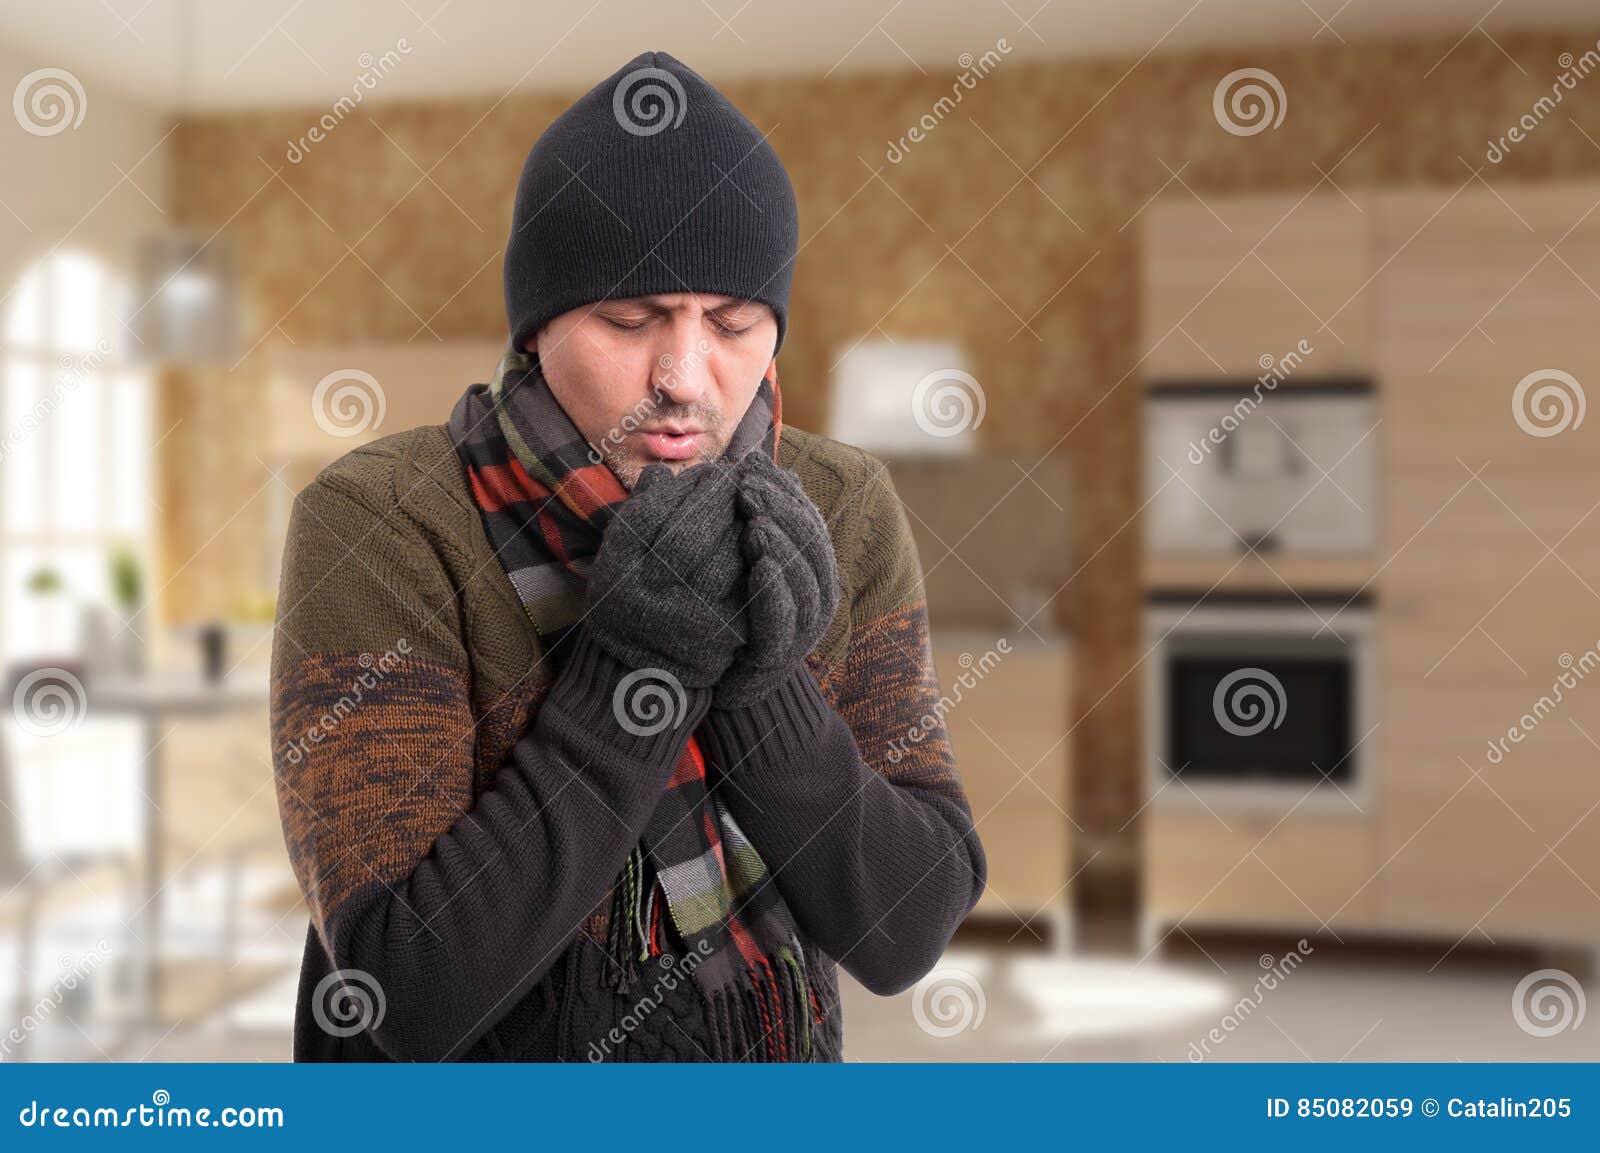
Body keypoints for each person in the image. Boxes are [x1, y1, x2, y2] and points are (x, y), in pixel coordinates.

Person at [270, 49, 986, 1062]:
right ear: (538, 328)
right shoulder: (381, 519)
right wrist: (641, 659)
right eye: (629, 319)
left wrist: (758, 678)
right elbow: (403, 990)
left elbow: (904, 926)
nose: (684, 377)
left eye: (733, 324)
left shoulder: (840, 503)